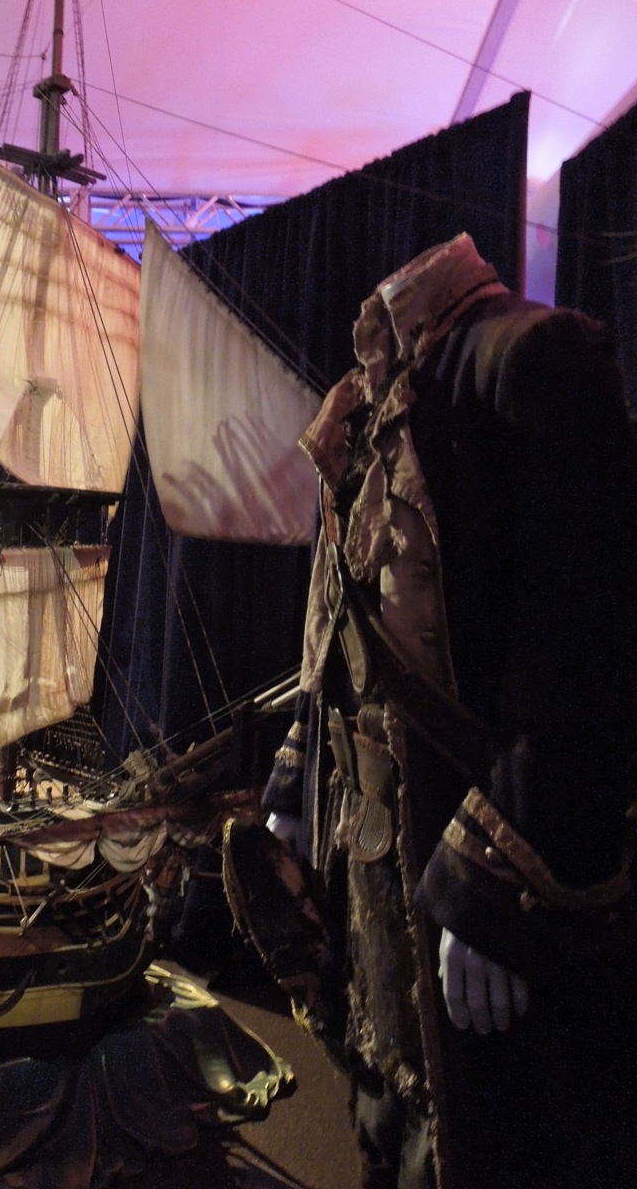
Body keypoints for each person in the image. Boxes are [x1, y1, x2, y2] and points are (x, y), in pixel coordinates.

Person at [240, 233, 637, 1188]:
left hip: (468, 868)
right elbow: (339, 632)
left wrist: (496, 890)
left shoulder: (530, 362)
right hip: (372, 863)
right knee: (386, 1118)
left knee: (496, 1133)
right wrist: (297, 779)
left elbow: (593, 654)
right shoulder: (369, 396)